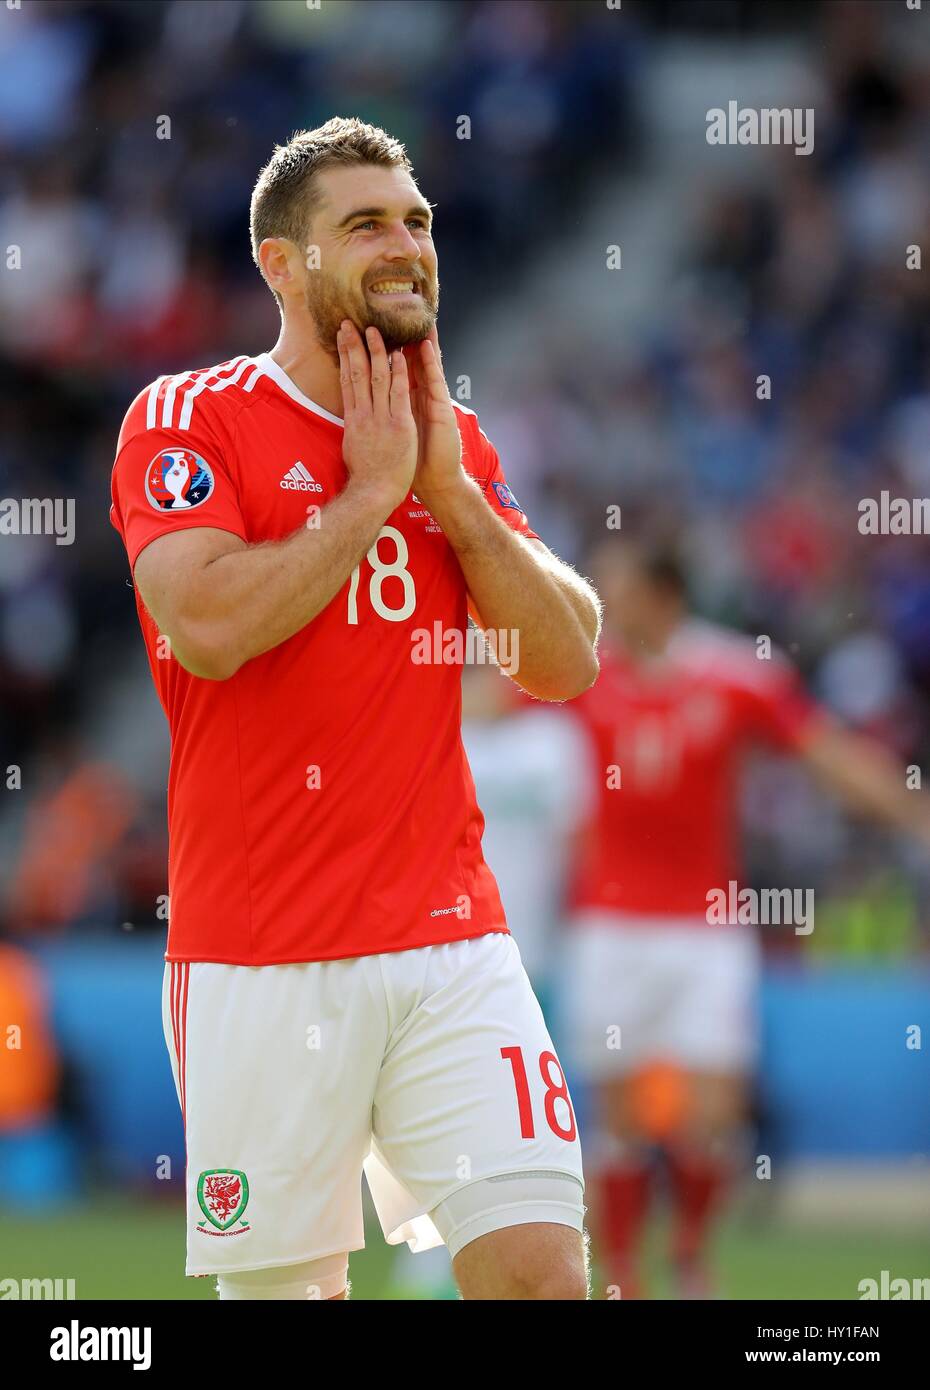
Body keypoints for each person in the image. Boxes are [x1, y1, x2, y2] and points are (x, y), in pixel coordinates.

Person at [109, 117, 601, 1301]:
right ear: (283, 263)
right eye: (367, 223)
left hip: (452, 942)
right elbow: (210, 626)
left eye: (418, 220)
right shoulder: (188, 419)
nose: (406, 243)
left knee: (541, 1275)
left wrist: (442, 489)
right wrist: (370, 496)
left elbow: (567, 657)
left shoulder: (455, 441)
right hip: (262, 954)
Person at [562, 538, 930, 1299]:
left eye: (616, 583)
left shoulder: (733, 675)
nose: (598, 596)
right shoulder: (579, 665)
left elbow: (823, 750)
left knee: (715, 1112)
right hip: (609, 924)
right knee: (621, 1119)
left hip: (704, 925)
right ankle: (623, 1276)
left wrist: (909, 809)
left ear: (663, 594)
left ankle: (692, 1259)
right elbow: (482, 706)